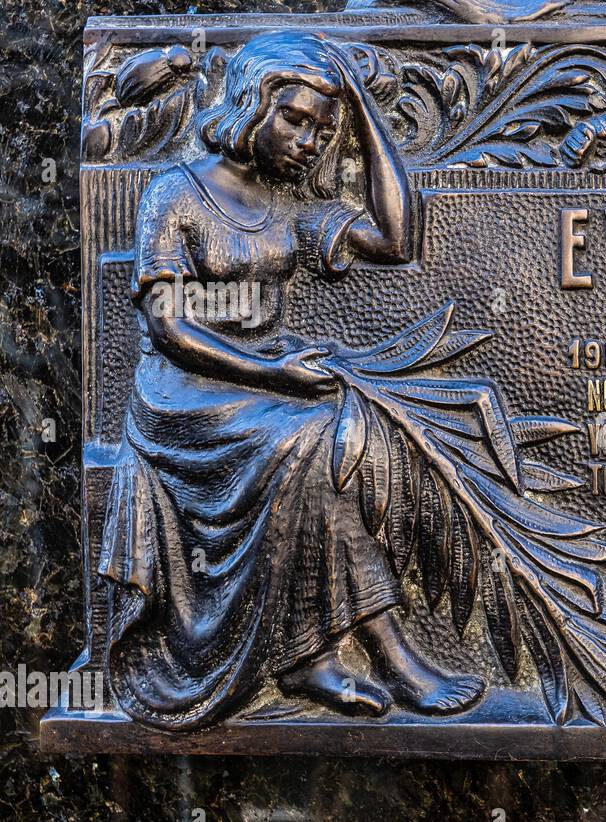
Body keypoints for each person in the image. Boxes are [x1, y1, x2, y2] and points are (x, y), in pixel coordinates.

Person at [99, 31, 485, 730]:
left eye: (323, 130)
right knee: (311, 438)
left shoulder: (283, 207)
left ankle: (323, 652)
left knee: (355, 432)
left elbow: (397, 238)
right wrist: (269, 368)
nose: (311, 142)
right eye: (296, 120)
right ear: (251, 105)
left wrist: (365, 113)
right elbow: (168, 328)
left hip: (263, 387)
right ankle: (381, 653)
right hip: (182, 392)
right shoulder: (174, 194)